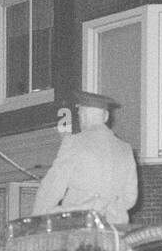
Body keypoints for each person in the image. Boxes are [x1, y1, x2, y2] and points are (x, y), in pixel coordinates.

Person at [32, 88, 138, 227]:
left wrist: (36, 220)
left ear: (83, 115)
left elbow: (52, 187)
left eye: (79, 112)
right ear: (105, 117)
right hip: (115, 229)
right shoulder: (125, 149)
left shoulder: (74, 142)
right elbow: (130, 197)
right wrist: (109, 208)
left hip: (80, 226)